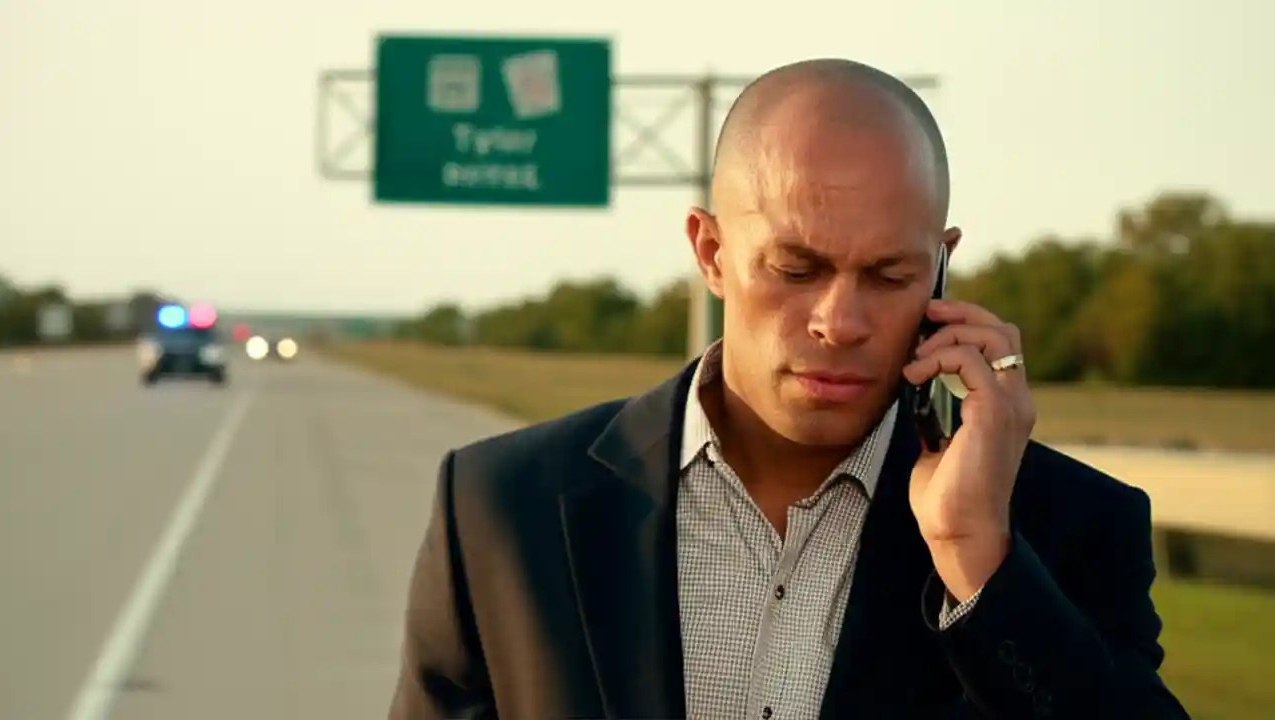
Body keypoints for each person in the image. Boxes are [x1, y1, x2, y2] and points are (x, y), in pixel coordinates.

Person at [387, 58, 1190, 719]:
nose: (839, 322)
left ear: (942, 266)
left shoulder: (1068, 527)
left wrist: (977, 558)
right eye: (796, 270)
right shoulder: (503, 508)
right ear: (710, 252)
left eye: (889, 274)